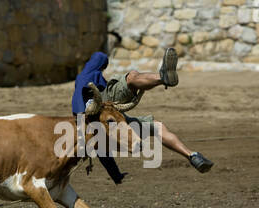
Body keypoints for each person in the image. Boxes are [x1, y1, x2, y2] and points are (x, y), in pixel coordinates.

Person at [73, 48, 214, 182]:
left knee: (157, 127)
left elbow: (101, 147)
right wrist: (82, 113)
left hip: (113, 118)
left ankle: (194, 157)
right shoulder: (86, 75)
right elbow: (80, 94)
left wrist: (116, 175)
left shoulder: (94, 125)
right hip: (106, 105)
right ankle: (162, 77)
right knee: (132, 77)